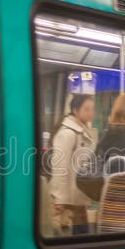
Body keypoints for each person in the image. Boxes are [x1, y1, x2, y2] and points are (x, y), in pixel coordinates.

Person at [49, 94, 95, 235]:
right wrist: (60, 199)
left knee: (80, 237)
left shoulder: (82, 131)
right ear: (75, 110)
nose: (91, 113)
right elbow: (60, 167)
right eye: (86, 109)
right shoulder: (68, 133)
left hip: (77, 196)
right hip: (69, 199)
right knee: (72, 237)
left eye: (92, 109)